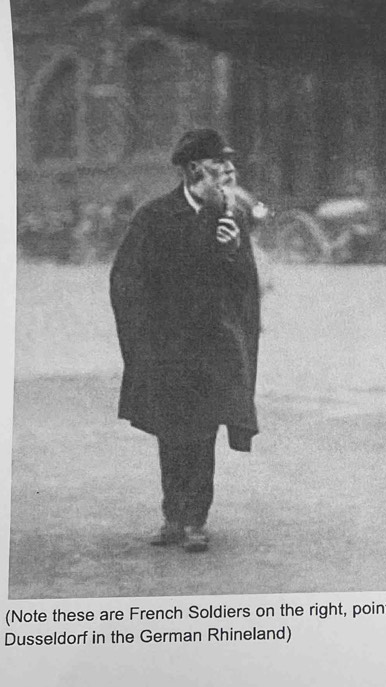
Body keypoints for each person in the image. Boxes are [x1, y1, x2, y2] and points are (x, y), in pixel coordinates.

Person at [110, 128, 261, 554]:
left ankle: (196, 519)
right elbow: (126, 280)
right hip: (167, 348)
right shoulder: (154, 216)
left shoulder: (231, 217)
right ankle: (172, 516)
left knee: (203, 432)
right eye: (220, 166)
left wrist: (231, 253)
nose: (230, 172)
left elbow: (246, 286)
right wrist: (140, 338)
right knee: (171, 433)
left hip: (211, 347)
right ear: (195, 169)